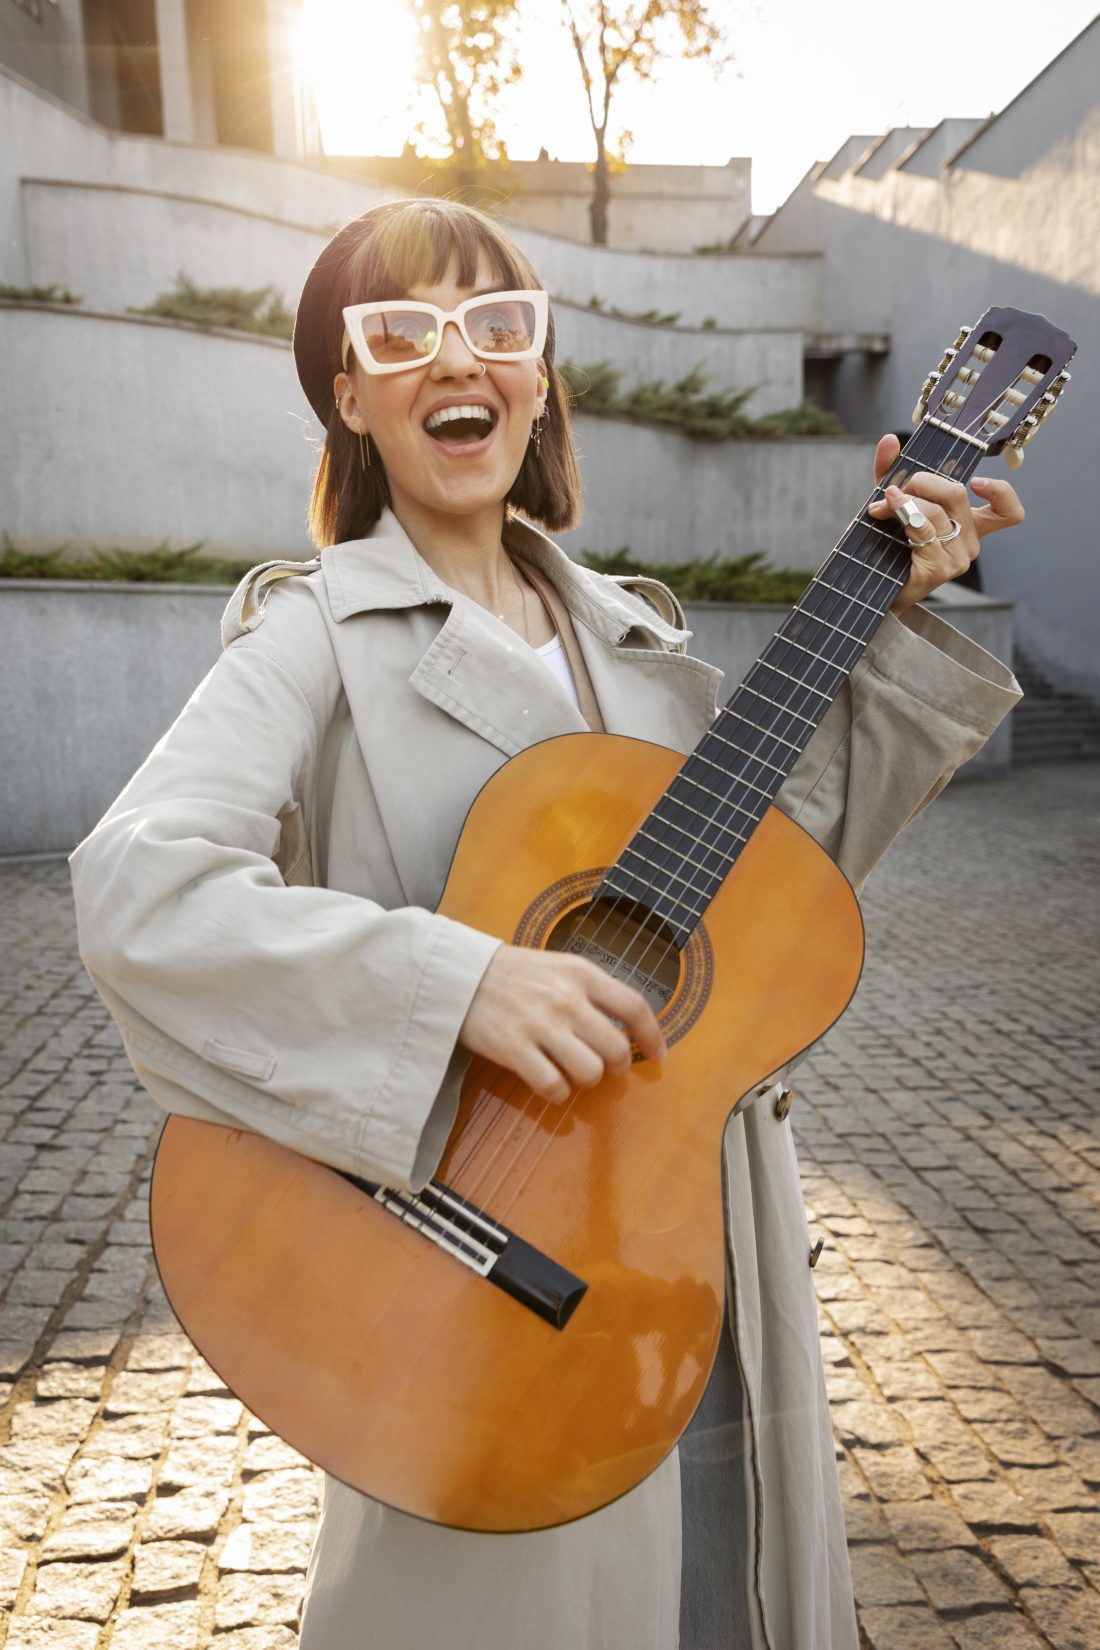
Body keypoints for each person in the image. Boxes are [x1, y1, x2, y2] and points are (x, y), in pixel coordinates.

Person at [70, 198, 1024, 1650]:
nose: (460, 360)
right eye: (403, 333)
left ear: (539, 372)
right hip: (466, 1269)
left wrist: (895, 601)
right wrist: (453, 983)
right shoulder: (309, 634)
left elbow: (769, 891)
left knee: (729, 1600)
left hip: (695, 1237)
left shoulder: (638, 642)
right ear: (350, 391)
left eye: (499, 325)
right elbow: (140, 883)